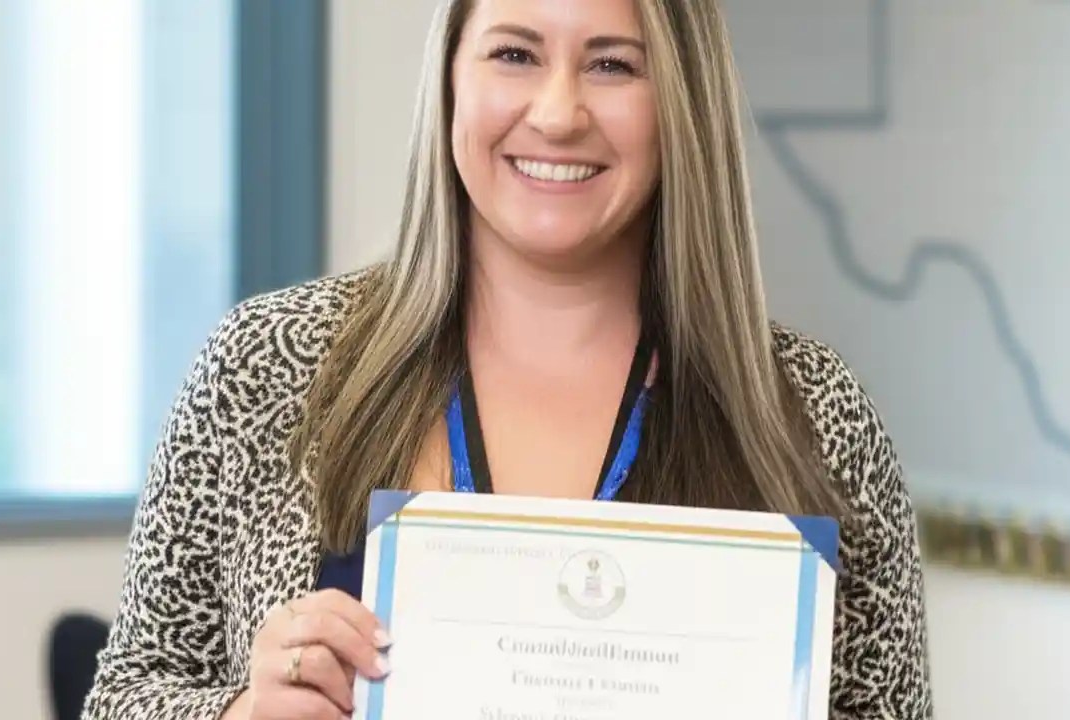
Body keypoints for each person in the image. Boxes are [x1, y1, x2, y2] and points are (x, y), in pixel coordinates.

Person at [82, 0, 933, 718]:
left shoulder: (814, 412)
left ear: (683, 101)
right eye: (516, 54)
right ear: (452, 76)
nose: (558, 113)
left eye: (613, 65)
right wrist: (240, 714)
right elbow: (123, 694)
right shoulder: (265, 366)